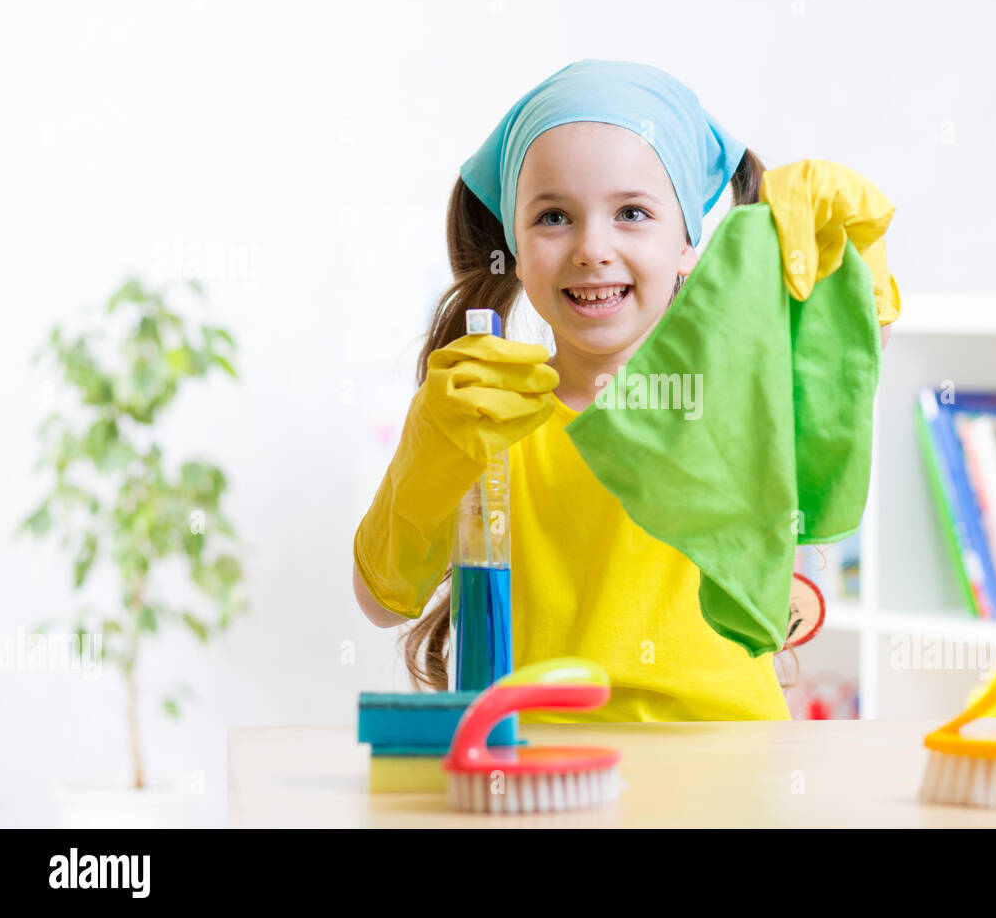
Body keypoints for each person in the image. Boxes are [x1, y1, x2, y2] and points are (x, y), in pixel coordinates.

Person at [352, 59, 892, 721]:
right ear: (516, 249)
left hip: (730, 770)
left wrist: (850, 252)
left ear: (689, 242)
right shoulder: (483, 418)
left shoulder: (734, 396)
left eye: (632, 213)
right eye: (554, 217)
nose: (591, 248)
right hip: (543, 779)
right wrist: (430, 453)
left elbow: (844, 369)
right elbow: (382, 601)